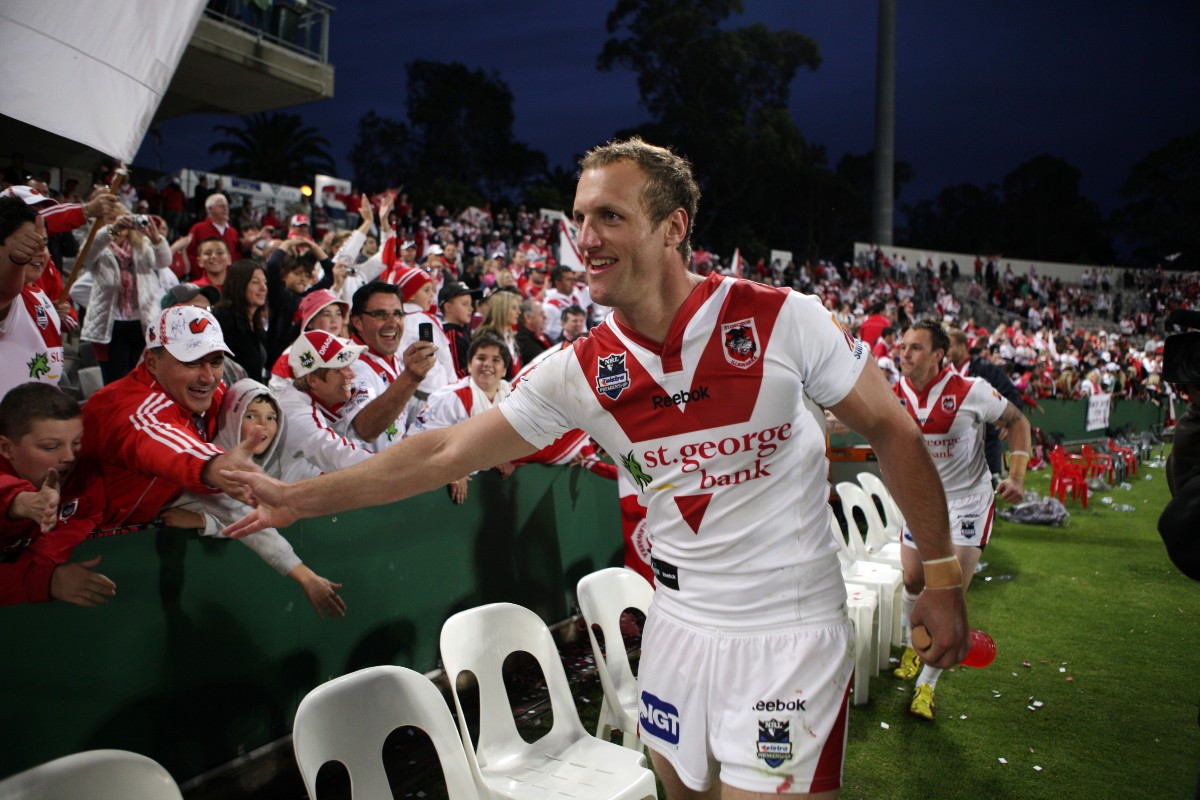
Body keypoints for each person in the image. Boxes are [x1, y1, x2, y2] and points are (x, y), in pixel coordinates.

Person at [225, 137, 968, 799]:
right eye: (580, 219)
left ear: (674, 227)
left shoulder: (783, 319)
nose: (586, 238)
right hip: (676, 625)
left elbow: (893, 431)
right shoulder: (578, 370)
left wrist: (939, 577)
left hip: (787, 629)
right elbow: (446, 451)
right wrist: (298, 497)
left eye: (610, 216)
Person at [891, 320, 1030, 720]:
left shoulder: (971, 391)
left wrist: (1017, 476)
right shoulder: (893, 394)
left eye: (916, 348)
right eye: (903, 346)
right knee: (915, 580)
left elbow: (1018, 421)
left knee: (947, 594)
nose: (905, 353)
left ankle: (926, 688)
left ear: (939, 354)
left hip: (969, 503)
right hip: (923, 501)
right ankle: (912, 645)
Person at [159, 379, 346, 617]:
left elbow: (239, 517)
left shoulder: (272, 462)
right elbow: (247, 522)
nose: (263, 427)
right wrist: (305, 576)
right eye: (251, 416)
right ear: (232, 420)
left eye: (271, 417)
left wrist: (206, 524)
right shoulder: (213, 464)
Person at [81, 305, 261, 528]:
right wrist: (213, 465)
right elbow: (161, 437)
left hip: (138, 532)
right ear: (152, 363)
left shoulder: (208, 392)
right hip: (82, 543)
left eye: (215, 362)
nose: (208, 378)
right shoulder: (127, 407)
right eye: (191, 362)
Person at [0, 383, 113, 607]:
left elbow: (87, 515)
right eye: (51, 447)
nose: (70, 456)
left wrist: (40, 563)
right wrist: (20, 502)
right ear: (6, 448)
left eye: (77, 442)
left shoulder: (85, 475)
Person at [414, 331, 515, 503]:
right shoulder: (449, 397)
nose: (487, 365)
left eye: (496, 360)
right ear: (469, 365)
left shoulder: (511, 395)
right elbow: (418, 444)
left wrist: (495, 458)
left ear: (504, 369)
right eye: (481, 358)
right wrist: (452, 470)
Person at [339, 281, 437, 449]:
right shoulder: (350, 367)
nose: (392, 323)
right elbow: (365, 429)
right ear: (357, 322)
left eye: (398, 314)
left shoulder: (391, 357)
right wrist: (410, 378)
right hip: (363, 471)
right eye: (380, 315)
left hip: (388, 466)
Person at [80, 210, 174, 384]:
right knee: (116, 381)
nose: (119, 223)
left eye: (124, 219)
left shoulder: (142, 244)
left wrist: (156, 239)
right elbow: (84, 258)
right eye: (111, 219)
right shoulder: (98, 248)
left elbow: (164, 262)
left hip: (141, 321)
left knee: (141, 378)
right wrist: (112, 230)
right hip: (109, 323)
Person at [0, 197, 63, 400]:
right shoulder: (8, 294)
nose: (37, 252)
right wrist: (15, 262)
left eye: (43, 244)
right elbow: (5, 290)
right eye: (26, 243)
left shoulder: (37, 294)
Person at [946, 330, 1024, 478]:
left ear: (962, 347)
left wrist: (1011, 421)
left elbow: (1010, 393)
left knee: (988, 489)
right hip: (956, 444)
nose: (945, 350)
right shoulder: (944, 373)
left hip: (985, 442)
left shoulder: (986, 368)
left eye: (949, 346)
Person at [212, 260, 269, 382]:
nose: (263, 288)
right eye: (255, 282)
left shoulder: (256, 323)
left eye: (265, 282)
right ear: (238, 284)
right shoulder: (224, 317)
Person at [185, 193, 241, 281]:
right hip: (204, 282)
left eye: (227, 206)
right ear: (210, 209)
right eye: (221, 206)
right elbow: (190, 254)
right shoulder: (198, 229)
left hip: (229, 282)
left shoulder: (233, 232)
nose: (226, 209)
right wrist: (200, 275)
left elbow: (237, 256)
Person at [439, 281, 478, 379]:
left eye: (471, 304)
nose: (471, 308)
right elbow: (457, 375)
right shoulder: (451, 334)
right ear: (448, 307)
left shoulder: (461, 331)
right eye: (465, 304)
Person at [515, 298, 552, 366]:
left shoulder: (543, 336)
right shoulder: (522, 341)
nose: (545, 317)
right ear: (528, 317)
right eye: (541, 314)